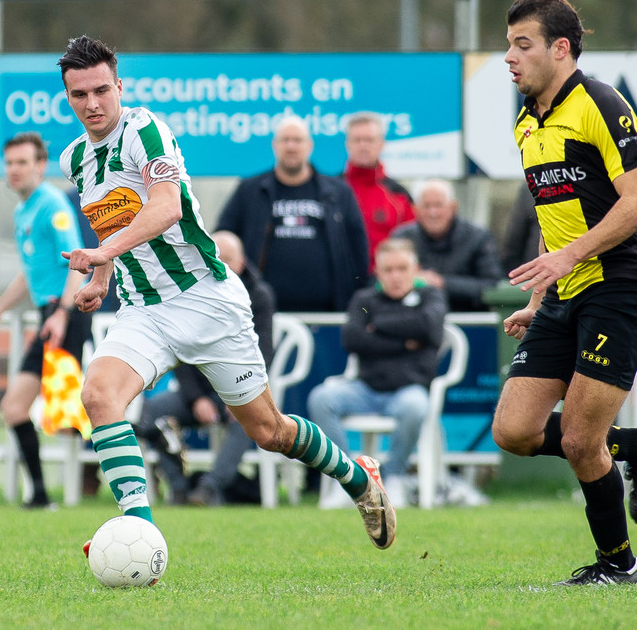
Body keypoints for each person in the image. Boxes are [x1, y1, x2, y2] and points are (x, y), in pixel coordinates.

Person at [55, 35, 395, 552]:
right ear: (68, 97)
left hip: (207, 301)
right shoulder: (75, 159)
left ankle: (356, 475)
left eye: (101, 90)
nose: (92, 104)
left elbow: (166, 207)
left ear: (119, 86)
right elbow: (112, 222)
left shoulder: (144, 131)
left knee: (270, 432)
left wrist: (104, 256)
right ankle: (138, 533)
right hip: (144, 309)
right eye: (79, 95)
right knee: (99, 395)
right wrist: (102, 277)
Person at [490, 0, 637, 587]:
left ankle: (619, 565)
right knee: (513, 432)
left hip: (623, 287)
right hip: (565, 293)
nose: (510, 57)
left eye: (523, 45)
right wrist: (538, 299)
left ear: (560, 48)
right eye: (508, 45)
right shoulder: (525, 121)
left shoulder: (600, 103)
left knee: (578, 440)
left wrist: (567, 258)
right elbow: (555, 217)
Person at [0, 132, 93, 509]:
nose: (14, 170)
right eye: (9, 163)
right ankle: (41, 495)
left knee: (69, 416)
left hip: (66, 315)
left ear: (40, 166)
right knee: (13, 408)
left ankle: (108, 486)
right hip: (49, 316)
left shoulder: (52, 203)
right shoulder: (22, 209)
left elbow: (79, 263)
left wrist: (61, 314)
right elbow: (30, 273)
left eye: (23, 163)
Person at [137, 230, 275, 507]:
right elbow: (179, 353)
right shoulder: (186, 292)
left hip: (238, 385)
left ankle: (210, 489)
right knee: (151, 413)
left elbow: (263, 352)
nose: (220, 265)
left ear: (241, 262)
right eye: (215, 257)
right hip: (198, 391)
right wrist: (196, 399)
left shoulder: (258, 296)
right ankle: (178, 488)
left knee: (247, 419)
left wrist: (236, 394)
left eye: (228, 259)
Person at [308, 237, 447, 506]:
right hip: (365, 388)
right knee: (320, 399)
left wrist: (378, 325)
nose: (395, 276)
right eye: (388, 270)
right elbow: (351, 338)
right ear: (377, 271)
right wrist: (405, 341)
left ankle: (392, 478)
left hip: (408, 389)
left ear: (415, 269)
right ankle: (348, 478)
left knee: (416, 407)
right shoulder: (365, 298)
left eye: (402, 269)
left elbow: (429, 327)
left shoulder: (430, 295)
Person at [216, 114, 369, 314]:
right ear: (274, 145)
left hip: (329, 315)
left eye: (297, 140)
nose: (291, 146)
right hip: (260, 312)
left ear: (310, 145)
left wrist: (355, 302)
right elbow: (222, 241)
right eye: (285, 140)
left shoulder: (338, 193)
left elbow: (359, 251)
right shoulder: (250, 191)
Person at [391, 178, 503, 312]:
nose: (433, 213)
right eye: (426, 206)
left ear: (453, 208)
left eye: (438, 205)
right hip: (414, 319)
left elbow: (492, 285)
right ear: (416, 210)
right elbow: (380, 279)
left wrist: (442, 283)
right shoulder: (401, 238)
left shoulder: (478, 237)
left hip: (467, 316)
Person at [341, 111, 415, 269]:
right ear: (348, 144)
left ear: (381, 144)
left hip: (382, 285)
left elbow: (413, 245)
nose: (363, 145)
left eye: (369, 140)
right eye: (357, 140)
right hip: (339, 281)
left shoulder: (398, 195)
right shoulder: (330, 191)